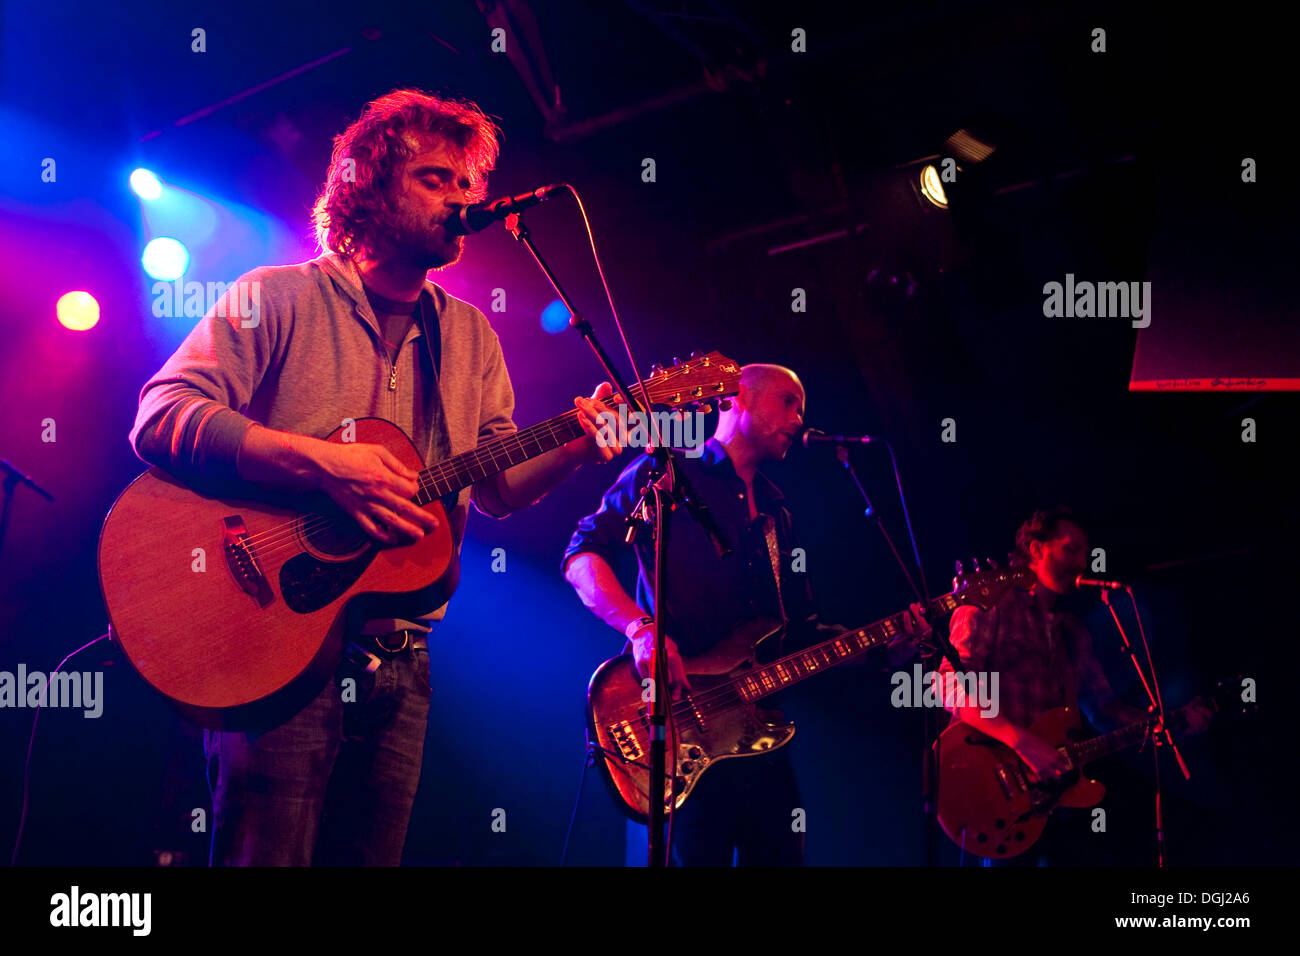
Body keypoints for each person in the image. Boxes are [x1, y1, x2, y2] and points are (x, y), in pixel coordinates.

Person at [129, 89, 620, 865]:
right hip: (274, 643)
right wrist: (322, 463)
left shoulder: (469, 335)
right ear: (365, 183)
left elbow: (495, 486)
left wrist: (572, 448)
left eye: (469, 185)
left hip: (403, 662)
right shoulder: (275, 295)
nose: (463, 201)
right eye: (436, 179)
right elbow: (161, 414)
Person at [564, 363, 922, 865]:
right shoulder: (665, 470)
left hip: (758, 734)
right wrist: (640, 629)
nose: (800, 419)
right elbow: (581, 555)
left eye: (802, 407)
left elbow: (798, 634)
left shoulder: (779, 513)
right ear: (737, 401)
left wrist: (886, 647)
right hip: (672, 727)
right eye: (788, 402)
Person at [938, 506, 1212, 865]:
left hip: (1050, 801)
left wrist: (1170, 721)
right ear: (1036, 551)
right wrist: (1021, 742)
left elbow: (1103, 710)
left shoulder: (1071, 630)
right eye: (1071, 549)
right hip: (991, 789)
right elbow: (949, 685)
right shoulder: (990, 602)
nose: (1083, 561)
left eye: (1086, 552)